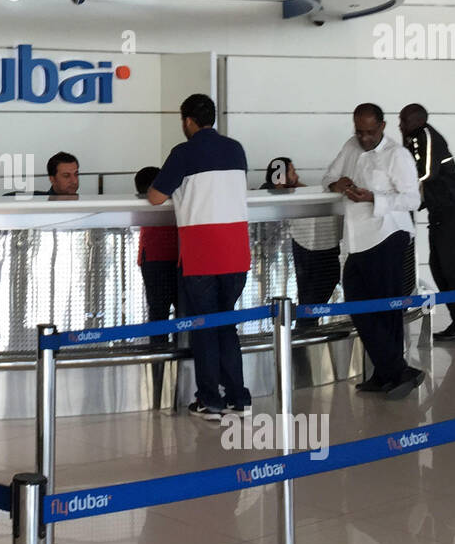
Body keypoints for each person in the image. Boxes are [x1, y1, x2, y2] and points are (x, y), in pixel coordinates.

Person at [146, 93, 252, 419]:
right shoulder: (235, 149)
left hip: (202, 254)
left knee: (204, 328)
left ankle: (211, 400)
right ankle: (239, 398)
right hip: (237, 253)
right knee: (226, 326)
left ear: (188, 121)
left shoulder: (183, 153)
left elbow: (154, 197)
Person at [322, 103, 424, 399]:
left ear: (382, 126)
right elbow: (330, 175)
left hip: (387, 235)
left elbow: (412, 199)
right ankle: (394, 371)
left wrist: (373, 198)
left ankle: (390, 372)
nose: (364, 138)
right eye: (359, 131)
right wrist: (337, 183)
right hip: (357, 240)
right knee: (361, 304)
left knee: (384, 310)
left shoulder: (397, 155)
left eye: (369, 132)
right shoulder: (350, 147)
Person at [399, 104, 455, 341]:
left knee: (450, 264)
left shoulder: (426, 135)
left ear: (418, 120)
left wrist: (401, 187)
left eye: (405, 120)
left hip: (451, 206)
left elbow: (426, 172)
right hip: (439, 208)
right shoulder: (412, 138)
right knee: (439, 264)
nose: (401, 125)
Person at [261, 157, 342, 327]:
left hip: (315, 248)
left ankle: (305, 327)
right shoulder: (270, 194)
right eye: (292, 171)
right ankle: (304, 327)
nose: (296, 175)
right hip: (301, 248)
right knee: (310, 294)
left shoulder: (297, 190)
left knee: (313, 293)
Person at [135, 166, 179, 409]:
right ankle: (160, 375)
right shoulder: (157, 198)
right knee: (164, 316)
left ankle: (162, 374)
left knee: (162, 316)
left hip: (163, 258)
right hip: (159, 258)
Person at [3, 151, 80, 197]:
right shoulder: (39, 201)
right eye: (66, 176)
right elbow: (6, 199)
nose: (74, 181)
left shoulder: (87, 203)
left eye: (76, 174)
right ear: (52, 179)